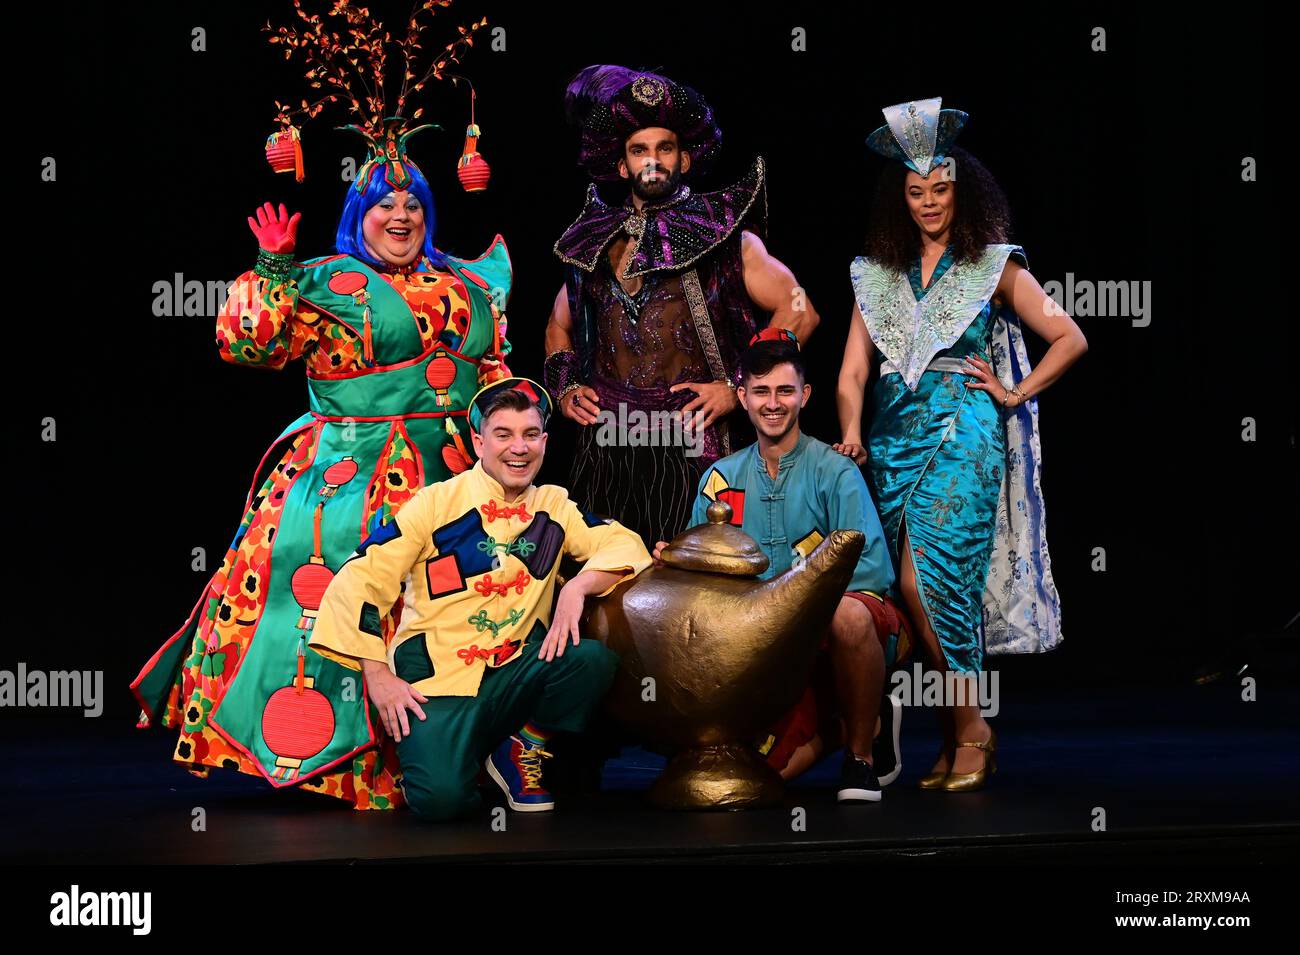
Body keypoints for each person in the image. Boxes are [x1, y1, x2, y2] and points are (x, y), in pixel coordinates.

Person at [131, 8, 513, 809]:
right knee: (327, 587)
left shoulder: (470, 287)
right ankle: (337, 761)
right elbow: (248, 344)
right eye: (383, 204)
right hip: (346, 471)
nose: (400, 215)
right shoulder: (322, 282)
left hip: (454, 469)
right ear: (359, 215)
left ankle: (453, 752)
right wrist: (271, 265)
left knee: (467, 592)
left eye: (412, 202)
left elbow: (495, 380)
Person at [835, 98, 1087, 791]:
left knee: (932, 580)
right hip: (889, 441)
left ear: (962, 188)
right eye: (915, 192)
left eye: (940, 189)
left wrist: (1014, 392)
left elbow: (1071, 336)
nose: (928, 203)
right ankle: (950, 736)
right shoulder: (875, 275)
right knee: (906, 597)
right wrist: (852, 431)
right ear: (900, 198)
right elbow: (854, 370)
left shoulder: (992, 266)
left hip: (962, 432)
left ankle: (974, 727)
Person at [307, 379, 652, 819]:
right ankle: (474, 763)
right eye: (503, 435)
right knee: (441, 802)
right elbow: (359, 579)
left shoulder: (555, 507)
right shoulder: (433, 504)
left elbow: (624, 545)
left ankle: (521, 744)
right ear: (478, 441)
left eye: (530, 435)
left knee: (591, 660)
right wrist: (376, 675)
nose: (519, 449)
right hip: (438, 679)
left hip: (518, 672)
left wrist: (577, 588)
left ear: (544, 441)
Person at [544, 65, 820, 549]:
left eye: (664, 148)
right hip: (610, 442)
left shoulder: (729, 238)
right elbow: (557, 325)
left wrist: (739, 387)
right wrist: (566, 389)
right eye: (639, 150)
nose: (653, 160)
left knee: (702, 587)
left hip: (693, 442)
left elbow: (800, 309)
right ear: (623, 165)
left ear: (685, 160)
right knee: (608, 583)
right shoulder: (594, 243)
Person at [653, 330, 909, 802]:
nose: (774, 403)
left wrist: (792, 611)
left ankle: (860, 757)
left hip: (828, 633)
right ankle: (863, 718)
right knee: (757, 777)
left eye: (785, 391)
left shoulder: (835, 471)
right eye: (762, 391)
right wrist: (672, 563)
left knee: (849, 614)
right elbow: (700, 576)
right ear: (744, 397)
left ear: (804, 396)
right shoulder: (720, 477)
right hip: (756, 647)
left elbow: (872, 569)